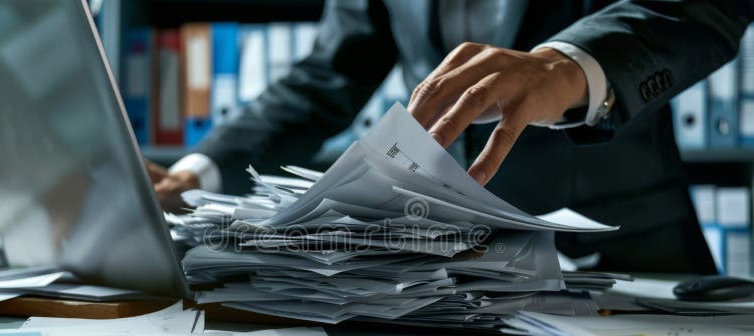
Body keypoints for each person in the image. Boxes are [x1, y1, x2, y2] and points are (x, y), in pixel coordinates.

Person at [148, 0, 754, 274]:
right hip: (439, 270)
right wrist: (197, 173)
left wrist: (566, 66)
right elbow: (329, 74)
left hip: (625, 257)